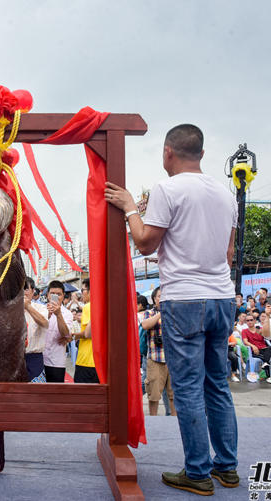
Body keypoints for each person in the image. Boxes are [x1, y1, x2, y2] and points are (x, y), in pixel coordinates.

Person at [105, 123, 239, 495]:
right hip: (221, 297)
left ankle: (197, 472)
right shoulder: (226, 194)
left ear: (168, 152)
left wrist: (131, 207)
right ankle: (226, 467)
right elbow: (228, 254)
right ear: (201, 153)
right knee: (218, 385)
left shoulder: (168, 189)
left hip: (183, 298)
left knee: (189, 388)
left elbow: (145, 243)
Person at [140, 287, 176, 416]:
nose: (162, 299)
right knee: (153, 395)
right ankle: (154, 420)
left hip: (174, 360)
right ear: (155, 299)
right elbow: (145, 325)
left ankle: (174, 421)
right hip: (155, 358)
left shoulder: (175, 312)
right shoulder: (150, 312)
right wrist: (161, 313)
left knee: (174, 395)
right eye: (159, 296)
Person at [42, 280, 73, 383]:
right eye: (52, 294)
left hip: (56, 362)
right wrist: (47, 315)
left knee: (55, 394)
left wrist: (58, 314)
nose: (55, 296)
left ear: (63, 296)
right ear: (47, 295)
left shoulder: (67, 314)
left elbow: (66, 334)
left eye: (59, 294)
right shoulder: (40, 310)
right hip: (40, 360)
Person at [73, 279, 99, 384]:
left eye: (82, 290)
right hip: (99, 360)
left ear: (90, 290)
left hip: (86, 359)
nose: (81, 293)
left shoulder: (89, 306)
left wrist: (73, 336)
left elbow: (88, 334)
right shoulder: (106, 305)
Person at [22, 277, 48, 382]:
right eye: (19, 288)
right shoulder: (9, 309)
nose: (23, 292)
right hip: (14, 358)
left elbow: (44, 323)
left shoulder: (41, 308)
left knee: (35, 394)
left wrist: (28, 307)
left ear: (33, 291)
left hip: (34, 358)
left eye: (25, 288)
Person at [241, 314, 271, 382]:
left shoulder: (259, 329)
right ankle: (269, 375)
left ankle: (266, 365)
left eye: (251, 320)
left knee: (270, 350)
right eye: (248, 320)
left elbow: (267, 336)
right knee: (267, 358)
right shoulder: (245, 331)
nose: (250, 322)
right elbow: (245, 342)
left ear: (254, 321)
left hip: (264, 349)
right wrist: (253, 346)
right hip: (254, 351)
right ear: (246, 322)